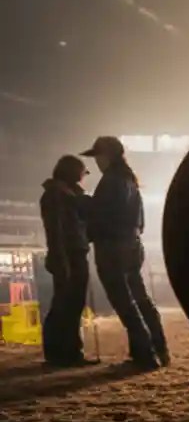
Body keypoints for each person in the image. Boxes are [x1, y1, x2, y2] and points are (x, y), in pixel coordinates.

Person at [82, 136, 169, 369]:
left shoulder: (111, 181)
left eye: (98, 156)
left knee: (124, 302)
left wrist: (85, 211)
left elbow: (103, 215)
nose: (96, 162)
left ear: (106, 155)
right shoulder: (129, 179)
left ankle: (145, 354)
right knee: (139, 298)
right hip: (131, 243)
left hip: (112, 246)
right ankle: (159, 347)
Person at [39, 156, 98, 368]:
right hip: (68, 254)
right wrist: (60, 258)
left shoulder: (64, 194)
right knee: (67, 304)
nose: (83, 178)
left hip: (71, 253)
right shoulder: (58, 195)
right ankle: (64, 353)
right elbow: (57, 230)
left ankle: (65, 351)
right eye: (82, 173)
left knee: (70, 303)